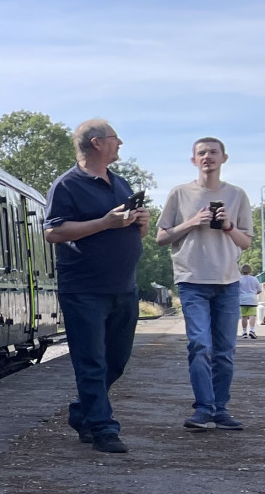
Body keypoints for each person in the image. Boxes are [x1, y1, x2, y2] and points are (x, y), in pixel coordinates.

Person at [43, 119, 148, 454]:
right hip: (84, 290)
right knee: (92, 362)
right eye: (116, 138)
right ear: (97, 143)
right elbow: (53, 232)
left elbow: (131, 232)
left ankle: (82, 413)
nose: (120, 144)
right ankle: (104, 429)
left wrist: (140, 223)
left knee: (116, 361)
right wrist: (105, 222)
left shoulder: (120, 183)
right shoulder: (66, 185)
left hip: (124, 287)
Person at [156, 138, 254, 429]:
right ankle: (203, 408)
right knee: (200, 344)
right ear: (193, 160)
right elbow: (161, 237)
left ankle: (219, 409)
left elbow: (246, 242)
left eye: (213, 152)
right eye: (201, 153)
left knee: (225, 350)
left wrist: (228, 226)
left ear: (224, 158)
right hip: (192, 280)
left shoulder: (237, 195)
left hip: (228, 281)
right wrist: (192, 221)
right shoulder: (180, 193)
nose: (207, 157)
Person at [240, 272, 261, 339]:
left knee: (244, 316)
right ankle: (252, 330)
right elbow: (259, 290)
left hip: (242, 299)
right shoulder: (254, 279)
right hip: (252, 299)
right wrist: (254, 293)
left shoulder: (239, 279)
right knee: (252, 315)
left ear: (242, 271)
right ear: (250, 271)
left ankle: (244, 332)